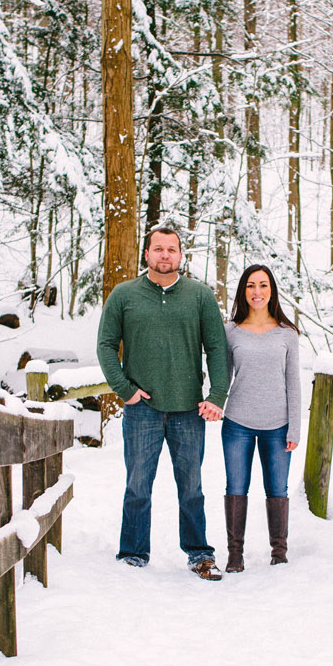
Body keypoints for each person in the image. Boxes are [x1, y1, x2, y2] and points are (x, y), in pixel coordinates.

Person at [96, 224, 230, 580]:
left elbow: (217, 348)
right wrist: (124, 389)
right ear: (147, 254)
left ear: (181, 255)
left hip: (189, 409)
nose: (165, 255)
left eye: (172, 249)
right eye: (158, 248)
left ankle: (200, 554)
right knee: (138, 485)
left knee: (192, 487)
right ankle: (133, 554)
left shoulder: (200, 296)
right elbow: (106, 345)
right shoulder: (124, 296)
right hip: (142, 410)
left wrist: (216, 395)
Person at [221, 264, 300, 571]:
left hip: (278, 426)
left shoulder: (287, 333)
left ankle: (279, 553)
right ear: (243, 291)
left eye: (263, 285)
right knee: (236, 486)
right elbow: (222, 377)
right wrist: (213, 403)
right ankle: (235, 555)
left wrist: (295, 427)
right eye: (251, 285)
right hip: (237, 422)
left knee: (277, 489)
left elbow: (293, 384)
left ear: (272, 290)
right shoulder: (230, 331)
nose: (257, 292)